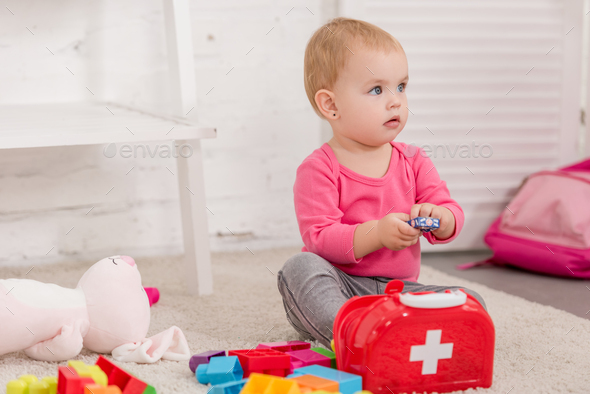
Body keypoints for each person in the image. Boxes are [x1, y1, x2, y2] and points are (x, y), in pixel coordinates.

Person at [277, 17, 486, 348]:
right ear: (330, 105)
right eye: (377, 89)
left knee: (470, 300)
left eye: (401, 87)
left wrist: (441, 217)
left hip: (400, 293)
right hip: (342, 288)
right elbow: (319, 239)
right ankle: (354, 334)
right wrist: (377, 234)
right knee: (299, 268)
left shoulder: (415, 160)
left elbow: (451, 214)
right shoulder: (318, 169)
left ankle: (387, 334)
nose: (396, 102)